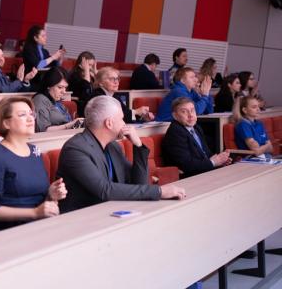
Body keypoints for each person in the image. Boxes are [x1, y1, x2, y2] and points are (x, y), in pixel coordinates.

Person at [57, 96, 186, 212]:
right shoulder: (75, 149)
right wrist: (159, 191)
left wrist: (138, 146)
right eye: (122, 119)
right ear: (109, 123)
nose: (125, 124)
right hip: (83, 217)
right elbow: (104, 190)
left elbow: (140, 184)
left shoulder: (113, 146)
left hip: (110, 211)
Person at [0, 97, 67, 231]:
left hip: (41, 225)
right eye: (22, 115)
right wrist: (34, 213)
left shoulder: (35, 151)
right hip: (12, 230)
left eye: (31, 114)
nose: (31, 119)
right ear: (6, 123)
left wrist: (51, 195)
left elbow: (39, 201)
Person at [161, 97, 231, 178]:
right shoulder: (175, 133)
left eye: (192, 110)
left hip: (203, 172)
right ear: (175, 116)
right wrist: (213, 162)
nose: (190, 115)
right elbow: (187, 165)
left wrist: (220, 160)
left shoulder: (196, 128)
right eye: (184, 112)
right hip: (189, 178)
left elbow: (206, 153)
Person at [87, 67, 153, 123]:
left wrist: (142, 117)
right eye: (112, 79)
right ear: (101, 83)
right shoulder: (98, 97)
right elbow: (115, 117)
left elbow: (125, 114)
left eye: (117, 79)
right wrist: (136, 111)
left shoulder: (115, 96)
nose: (116, 82)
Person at [32, 67, 84, 132]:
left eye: (65, 87)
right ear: (49, 86)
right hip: (51, 137)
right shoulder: (39, 99)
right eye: (60, 87)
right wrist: (69, 125)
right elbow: (43, 130)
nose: (64, 91)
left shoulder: (57, 101)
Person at [68, 51, 97, 116]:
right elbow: (86, 93)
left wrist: (95, 73)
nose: (90, 68)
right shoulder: (74, 75)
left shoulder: (90, 75)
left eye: (92, 65)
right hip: (79, 104)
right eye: (89, 65)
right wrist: (86, 71)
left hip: (89, 103)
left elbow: (98, 88)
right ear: (81, 63)